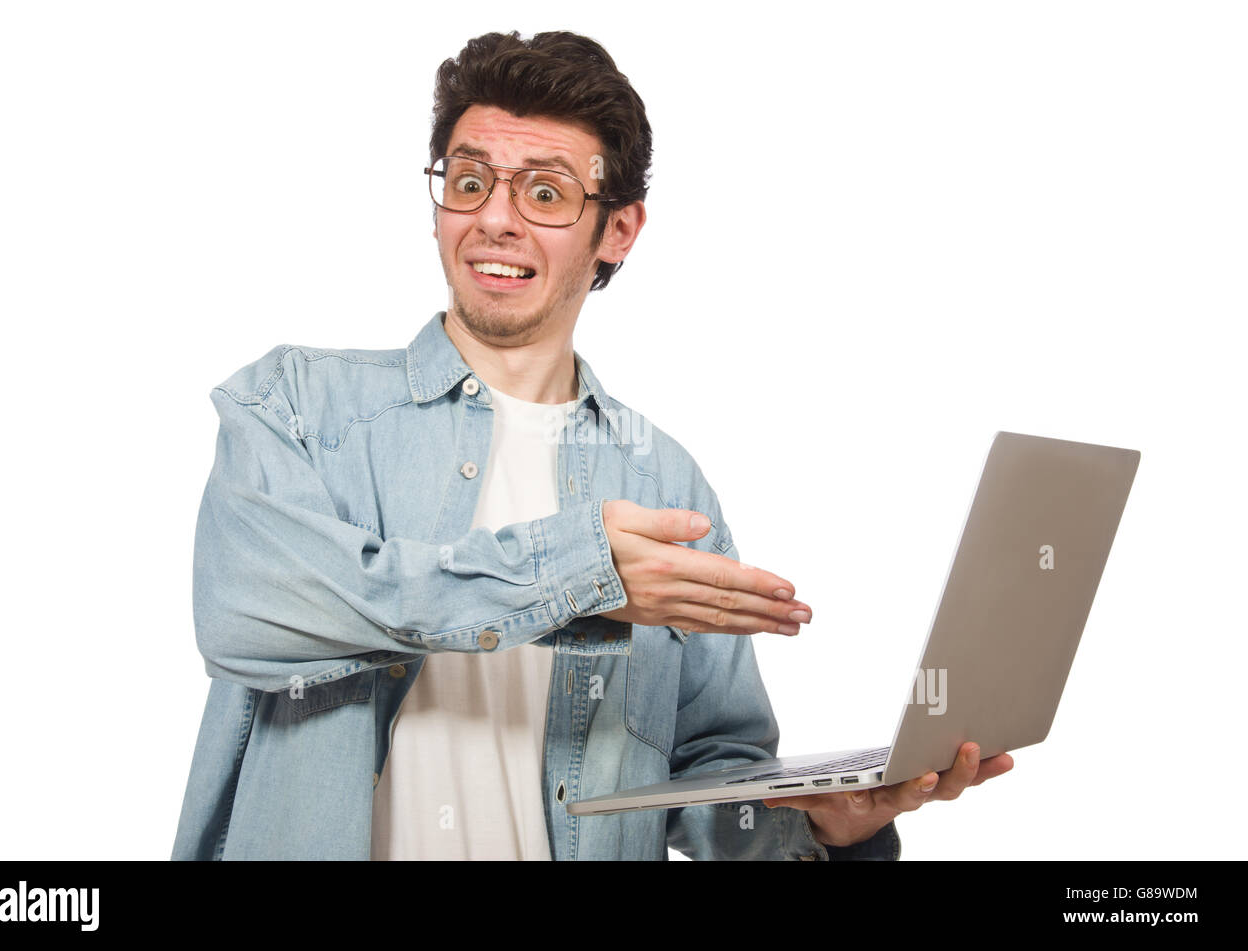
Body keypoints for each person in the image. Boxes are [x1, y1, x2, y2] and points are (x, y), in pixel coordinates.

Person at [171, 29, 1012, 862]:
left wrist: (822, 823)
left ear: (618, 230)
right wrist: (582, 575)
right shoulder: (296, 406)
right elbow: (243, 615)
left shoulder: (666, 482)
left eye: (545, 194)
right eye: (469, 182)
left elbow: (711, 783)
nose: (495, 220)